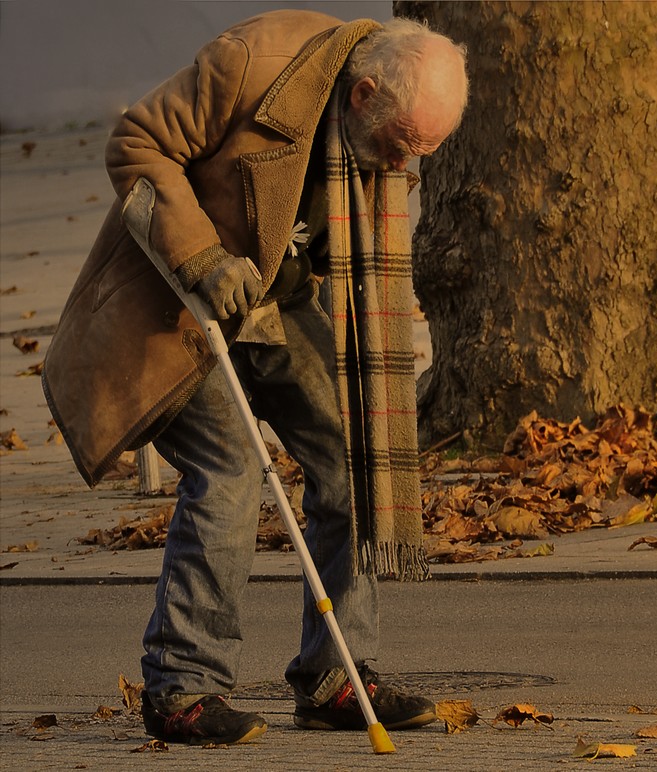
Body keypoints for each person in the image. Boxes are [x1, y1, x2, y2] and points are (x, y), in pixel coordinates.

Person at [41, 10, 469, 745]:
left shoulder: (377, 119)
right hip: (176, 304)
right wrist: (203, 257)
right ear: (362, 95)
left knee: (353, 452)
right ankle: (182, 687)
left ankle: (336, 675)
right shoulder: (251, 63)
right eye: (401, 147)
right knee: (233, 471)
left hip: (276, 295)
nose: (401, 170)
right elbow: (136, 141)